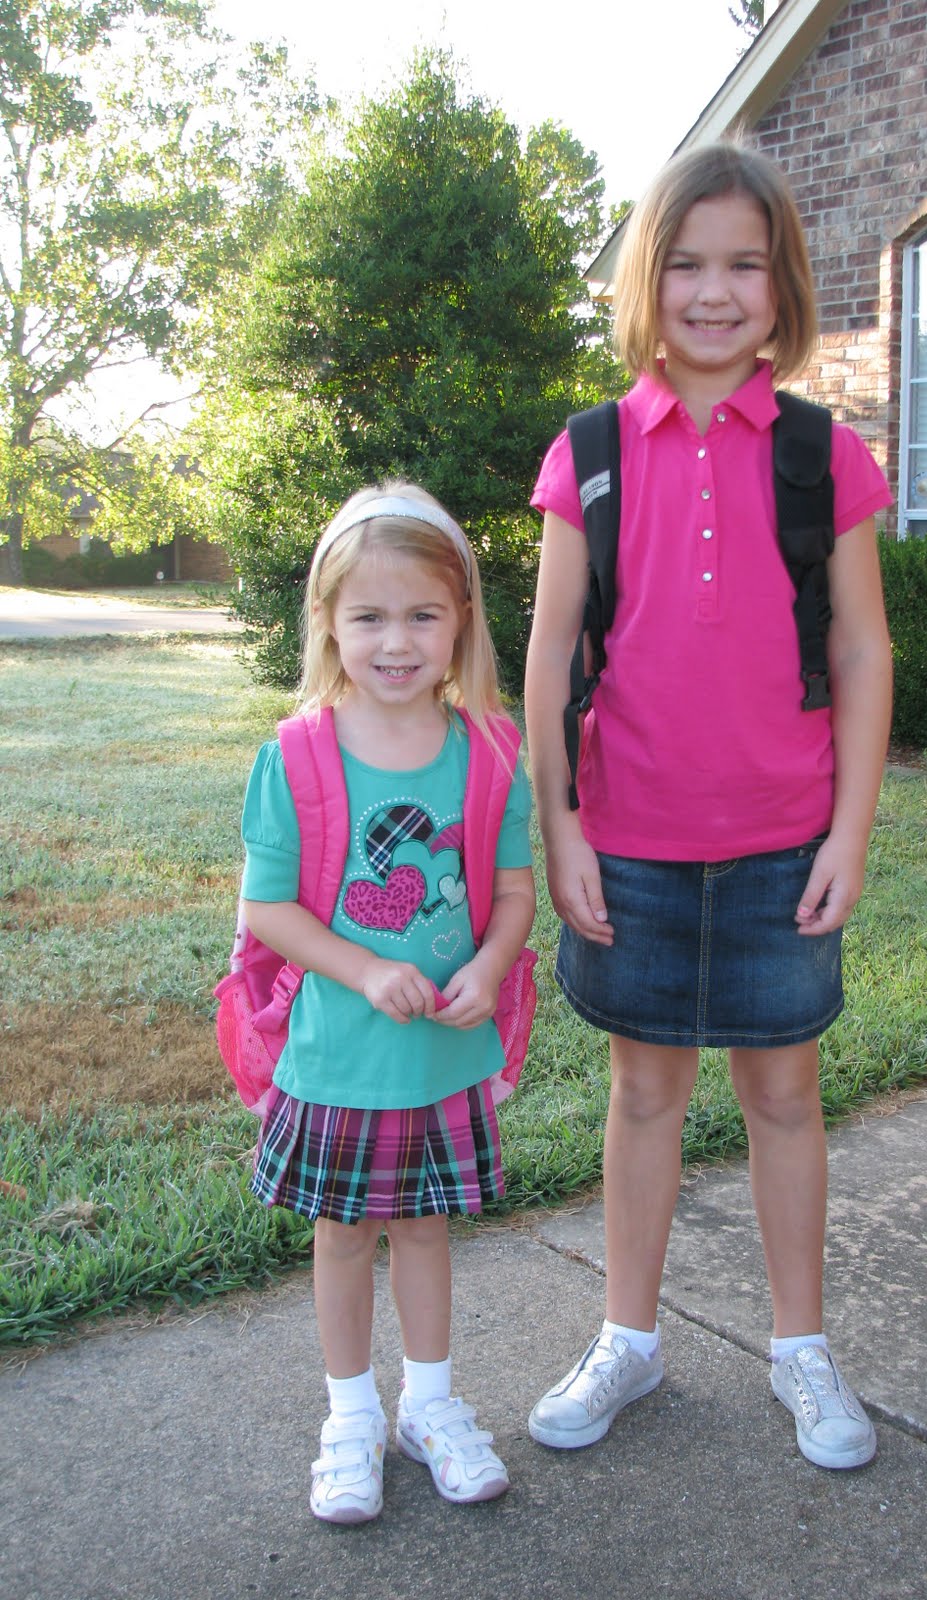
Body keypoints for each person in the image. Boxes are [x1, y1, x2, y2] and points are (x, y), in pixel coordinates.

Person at [523, 142, 893, 1472]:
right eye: (686, 262)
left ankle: (803, 1352)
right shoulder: (590, 455)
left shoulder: (822, 455)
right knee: (642, 1094)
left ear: (780, 285)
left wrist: (849, 832)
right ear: (648, 279)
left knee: (786, 1097)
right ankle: (630, 1337)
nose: (714, 290)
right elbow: (554, 650)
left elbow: (860, 648)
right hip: (628, 843)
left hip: (783, 848)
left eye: (743, 263)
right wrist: (559, 826)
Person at [238, 482, 535, 1523]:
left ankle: (434, 1404)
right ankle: (350, 1416)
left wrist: (492, 968)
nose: (396, 640)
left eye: (423, 614)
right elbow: (267, 907)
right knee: (345, 1234)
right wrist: (364, 969)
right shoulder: (299, 756)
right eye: (368, 616)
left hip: (443, 1057)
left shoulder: (491, 752)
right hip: (337, 1055)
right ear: (327, 621)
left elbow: (510, 894)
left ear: (462, 621)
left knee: (423, 1230)